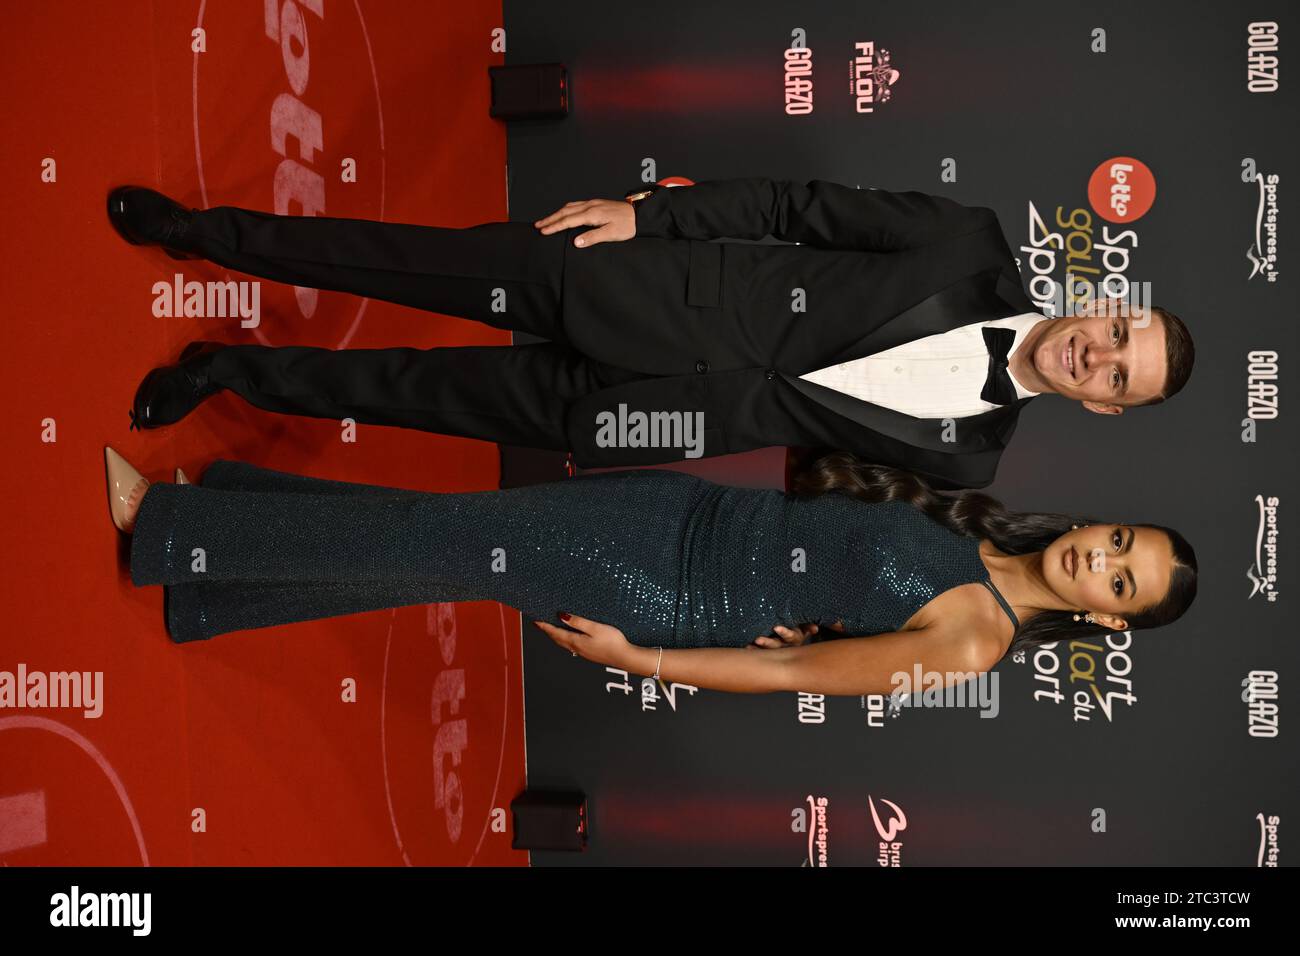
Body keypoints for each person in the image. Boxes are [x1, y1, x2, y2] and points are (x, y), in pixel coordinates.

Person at [107, 178, 1194, 489]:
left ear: (1104, 403)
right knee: (402, 262)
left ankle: (228, 373)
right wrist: (650, 215)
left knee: (410, 394)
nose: (1096, 350)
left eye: (1117, 373)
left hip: (651, 412)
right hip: (637, 284)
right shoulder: (967, 241)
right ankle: (204, 235)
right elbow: (793, 210)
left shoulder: (968, 457)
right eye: (1117, 328)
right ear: (1104, 300)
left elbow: (816, 457)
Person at [105, 447, 1197, 697]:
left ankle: (171, 528)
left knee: (426, 539)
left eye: (1120, 583)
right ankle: (213, 589)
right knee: (438, 529)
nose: (1099, 560)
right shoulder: (982, 532)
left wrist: (645, 655)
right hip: (678, 510)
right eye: (1119, 543)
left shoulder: (977, 637)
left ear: (1107, 623)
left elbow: (794, 680)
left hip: (664, 590)